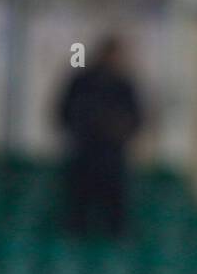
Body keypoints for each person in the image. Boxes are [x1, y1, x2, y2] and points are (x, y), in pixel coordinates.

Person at [55, 35, 143, 237]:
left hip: (113, 160)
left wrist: (116, 130)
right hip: (84, 156)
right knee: (77, 212)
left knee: (115, 216)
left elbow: (136, 120)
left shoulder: (124, 86)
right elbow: (65, 114)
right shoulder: (81, 83)